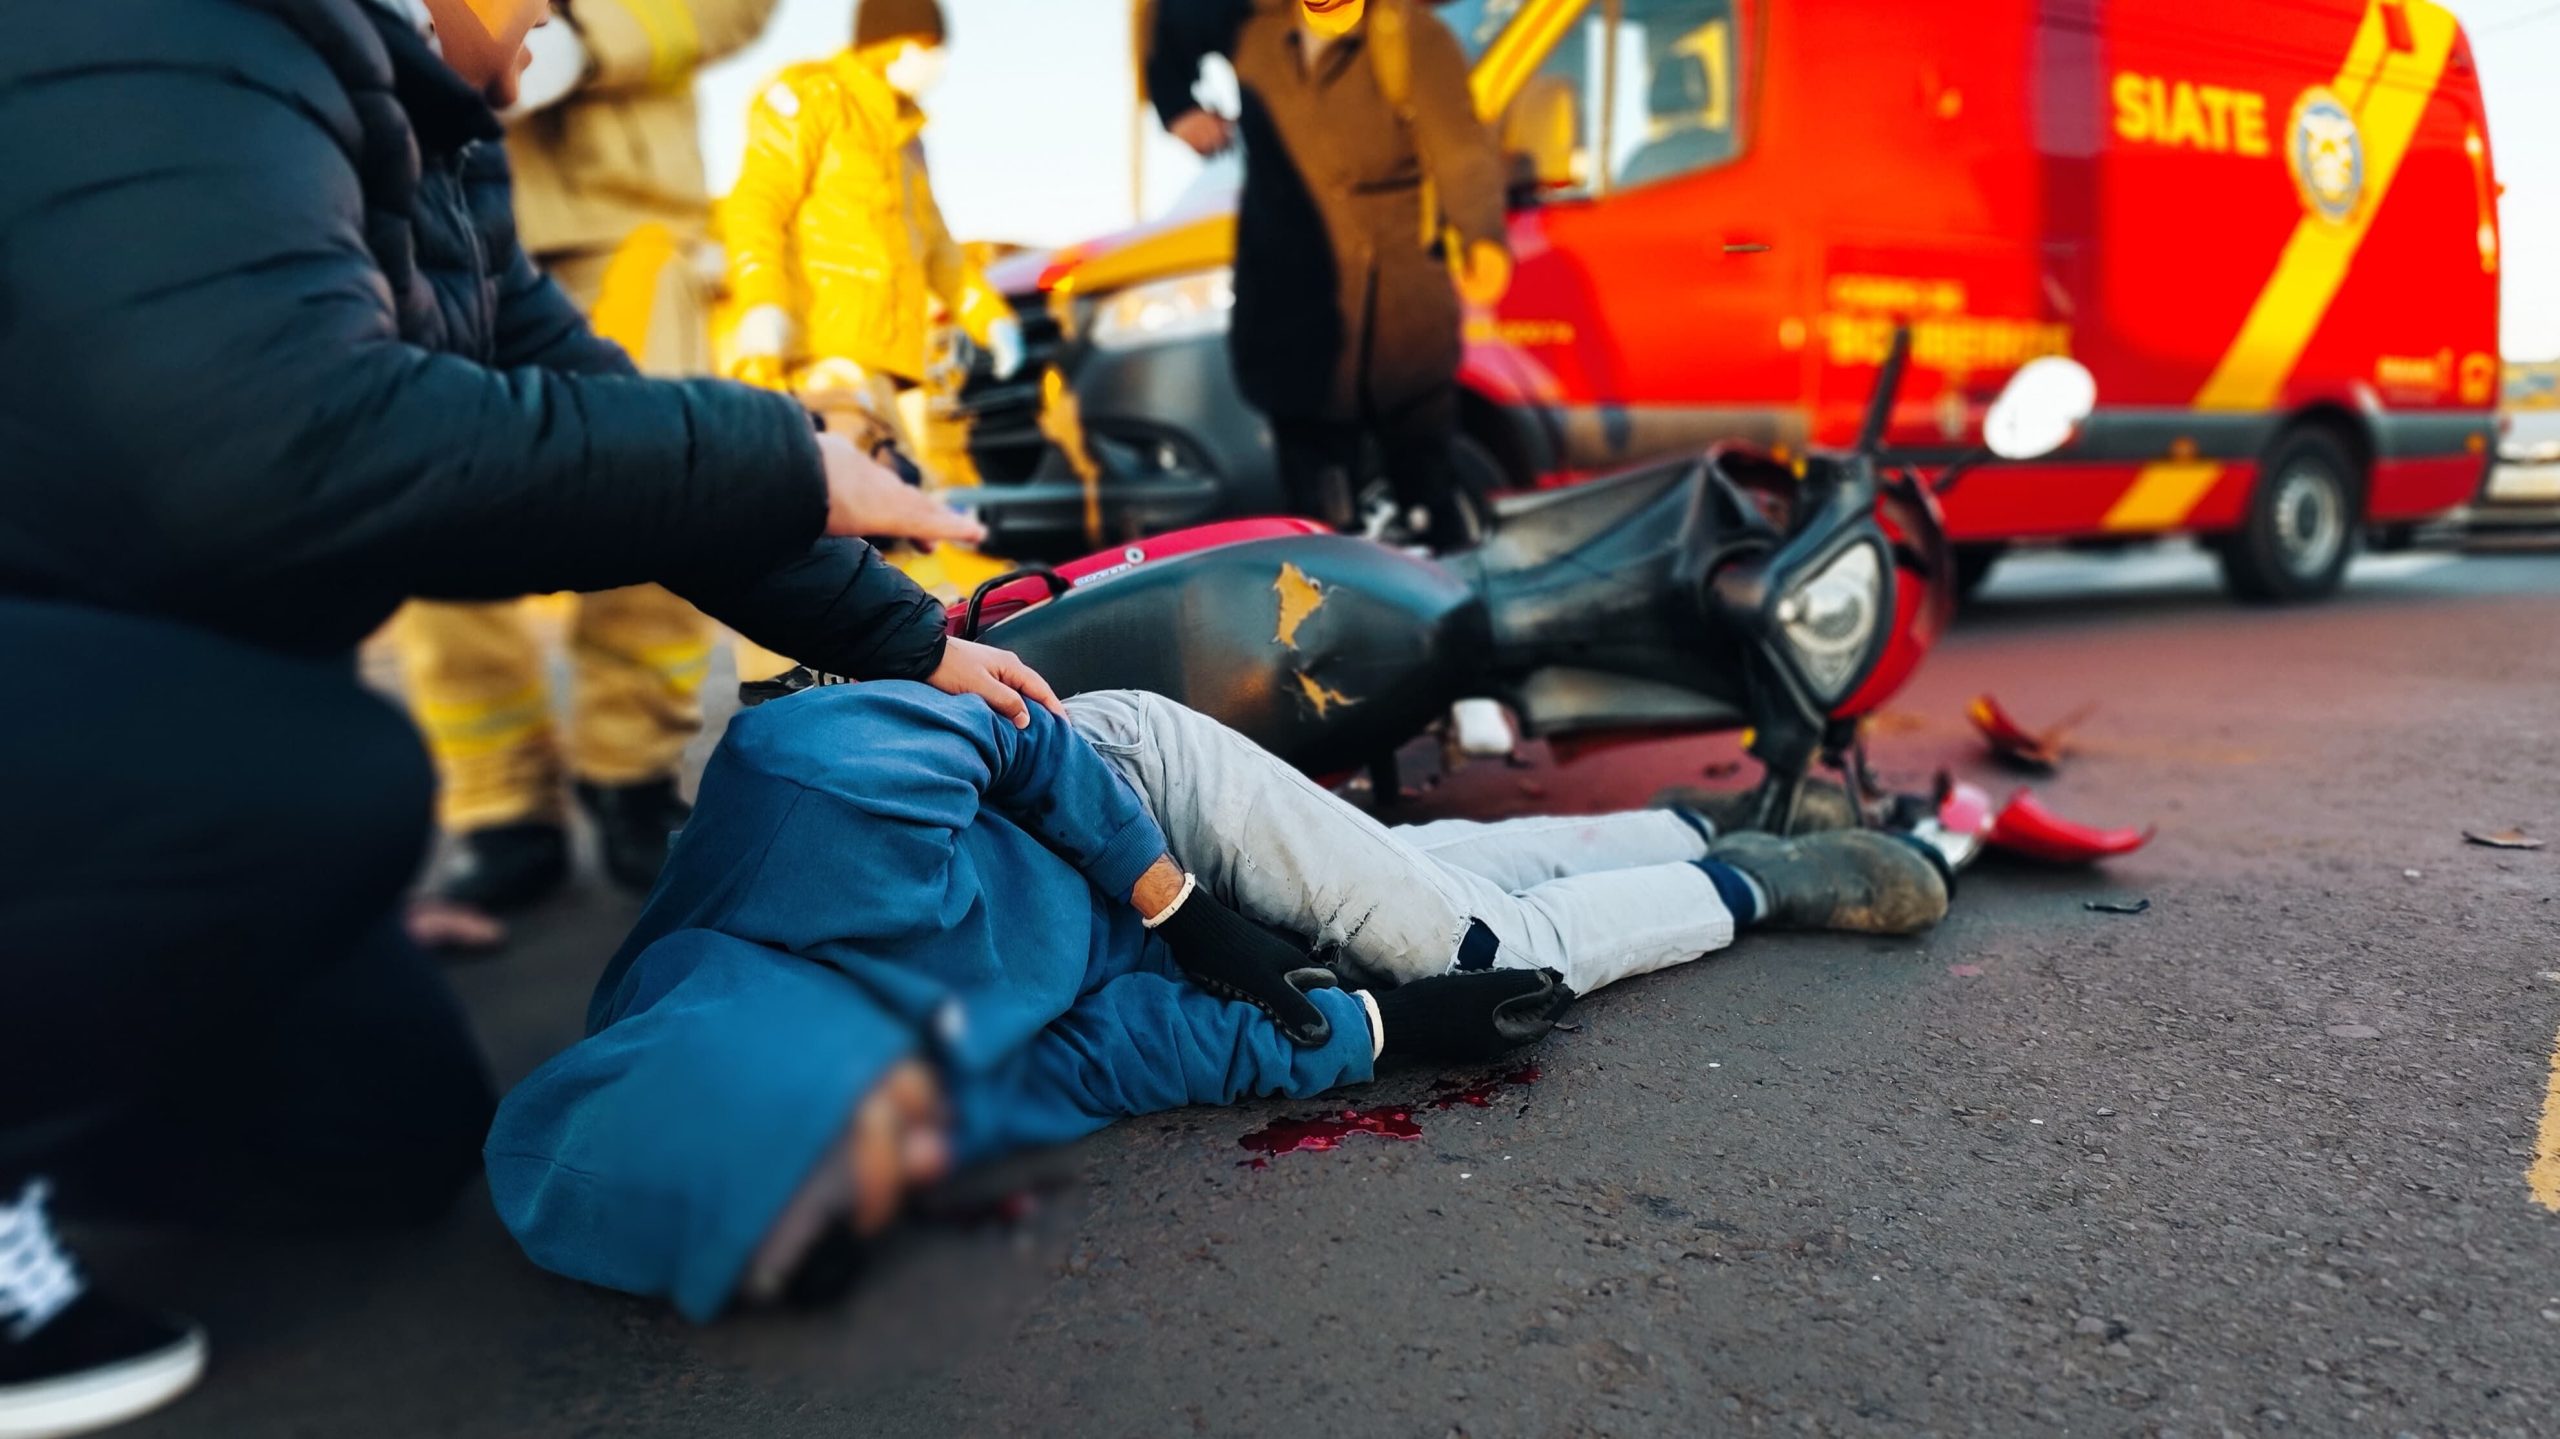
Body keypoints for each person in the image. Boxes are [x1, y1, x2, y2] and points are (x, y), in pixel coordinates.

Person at [0, 1, 1054, 1432]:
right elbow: (268, 445)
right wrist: (776, 453)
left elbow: (582, 415)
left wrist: (899, 635)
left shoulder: (432, 140)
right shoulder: (173, 37)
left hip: (104, 675)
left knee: (378, 1130)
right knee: (319, 776)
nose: (565, 24)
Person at [485, 684, 1949, 1319]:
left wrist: (1174, 899)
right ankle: (1699, 837)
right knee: (1418, 886)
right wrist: (1367, 1035)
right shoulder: (881, 1122)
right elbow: (1121, 1053)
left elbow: (1019, 738)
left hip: (1128, 786)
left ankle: (1762, 878)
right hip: (1122, 935)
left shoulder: (801, 801)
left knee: (1471, 938)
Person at [393, 0, 791, 932]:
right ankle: (499, 807)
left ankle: (631, 772)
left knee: (659, 489)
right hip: (423, 183)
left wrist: (595, 33)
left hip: (625, 213)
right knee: (433, 504)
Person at [1149, 0, 1511, 543]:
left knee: (1428, 497)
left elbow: (1461, 148)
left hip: (1399, 308)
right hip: (1290, 307)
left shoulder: (1409, 35)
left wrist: (1482, 234)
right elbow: (1168, 31)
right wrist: (1179, 108)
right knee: (1314, 522)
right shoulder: (1248, 24)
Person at [723, 0, 1026, 469]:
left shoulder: (906, 136)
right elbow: (758, 204)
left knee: (901, 512)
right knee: (853, 507)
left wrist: (990, 318)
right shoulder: (814, 98)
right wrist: (762, 301)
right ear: (892, 43)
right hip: (823, 356)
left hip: (889, 366)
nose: (937, 63)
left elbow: (939, 250)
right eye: (928, 47)